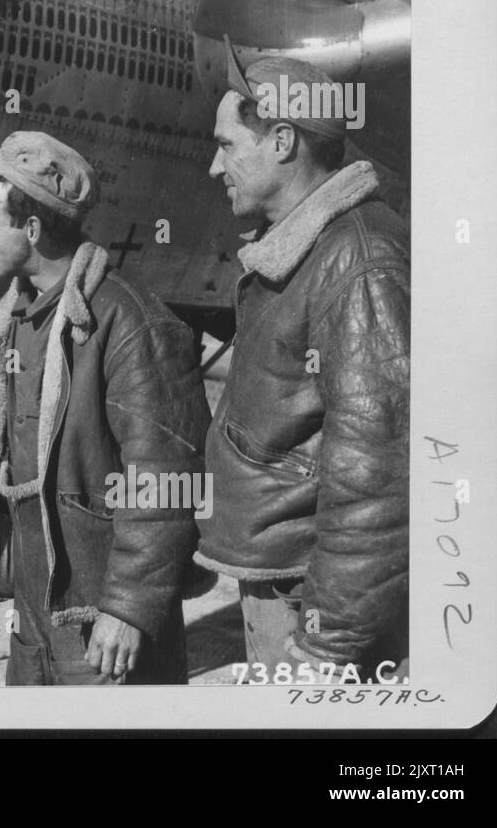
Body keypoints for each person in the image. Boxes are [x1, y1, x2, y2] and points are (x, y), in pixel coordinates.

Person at [0, 131, 210, 685]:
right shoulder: (17, 321)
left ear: (31, 229)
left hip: (102, 625)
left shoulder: (128, 324)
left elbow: (168, 481)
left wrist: (128, 607)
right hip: (33, 621)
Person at [196, 39, 409, 680]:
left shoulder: (357, 259)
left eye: (228, 144)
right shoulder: (308, 248)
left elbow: (377, 475)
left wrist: (328, 641)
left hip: (314, 607)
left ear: (283, 141)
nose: (214, 166)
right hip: (292, 588)